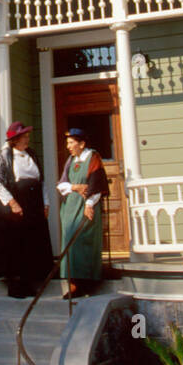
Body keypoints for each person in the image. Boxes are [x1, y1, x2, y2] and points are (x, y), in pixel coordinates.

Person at [0, 122, 53, 298]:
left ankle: (29, 283)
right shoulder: (6, 155)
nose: (27, 138)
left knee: (32, 243)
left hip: (34, 204)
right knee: (16, 244)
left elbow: (41, 182)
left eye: (27, 135)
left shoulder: (31, 154)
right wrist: (12, 203)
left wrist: (46, 203)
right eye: (24, 136)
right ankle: (15, 285)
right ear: (15, 140)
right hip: (18, 202)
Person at [56, 127, 108, 299]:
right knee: (70, 241)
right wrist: (74, 187)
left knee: (84, 241)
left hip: (86, 205)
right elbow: (62, 183)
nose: (68, 147)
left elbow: (97, 183)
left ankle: (88, 282)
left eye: (71, 143)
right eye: (67, 143)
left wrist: (90, 204)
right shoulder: (71, 160)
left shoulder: (93, 157)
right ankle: (73, 284)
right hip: (70, 207)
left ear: (82, 143)